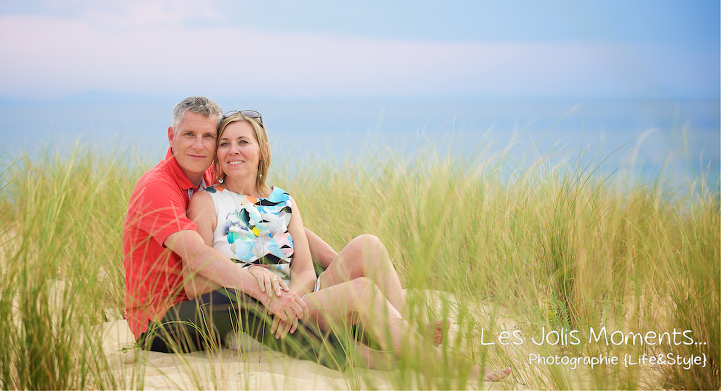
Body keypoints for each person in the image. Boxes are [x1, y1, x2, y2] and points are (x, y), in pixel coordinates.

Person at [185, 109, 511, 380]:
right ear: (218, 155)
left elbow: (305, 271)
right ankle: (443, 365)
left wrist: (292, 300)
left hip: (298, 305)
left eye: (243, 141)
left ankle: (406, 332)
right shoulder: (207, 201)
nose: (233, 150)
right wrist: (257, 282)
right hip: (256, 316)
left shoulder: (283, 200)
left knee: (369, 245)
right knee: (362, 290)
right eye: (225, 143)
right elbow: (194, 281)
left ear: (263, 150)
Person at [123, 96, 385, 368]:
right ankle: (349, 356)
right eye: (189, 134)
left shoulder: (207, 174)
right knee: (245, 295)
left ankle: (378, 330)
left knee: (286, 266)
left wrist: (336, 264)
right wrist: (257, 282)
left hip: (210, 306)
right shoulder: (157, 187)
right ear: (171, 136)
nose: (199, 145)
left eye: (208, 136)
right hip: (161, 322)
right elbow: (199, 256)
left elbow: (273, 224)